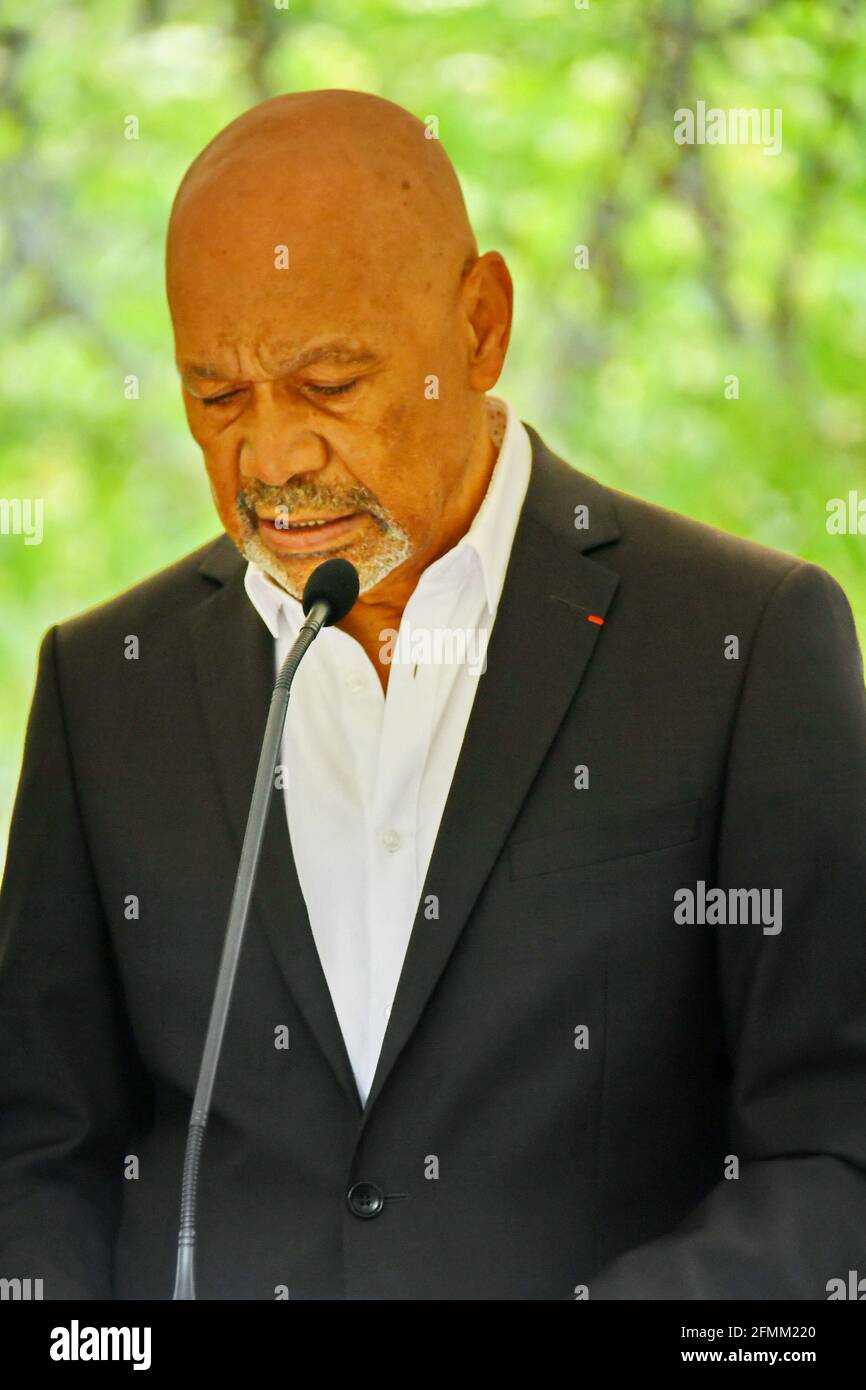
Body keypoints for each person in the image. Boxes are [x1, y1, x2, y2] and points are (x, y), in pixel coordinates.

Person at [1, 90, 864, 1301]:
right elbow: (39, 1159)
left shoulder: (745, 640)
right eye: (217, 397)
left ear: (481, 325)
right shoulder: (101, 685)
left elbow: (831, 1160)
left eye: (329, 383)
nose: (272, 459)